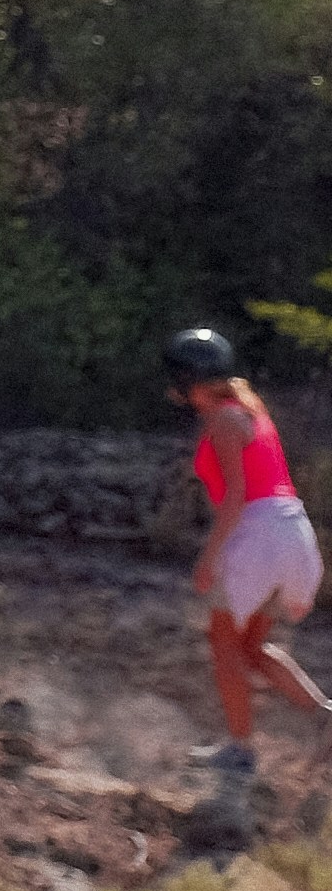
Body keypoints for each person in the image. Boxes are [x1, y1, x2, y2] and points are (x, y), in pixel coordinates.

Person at [166, 325, 327, 846]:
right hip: (291, 532)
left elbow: (235, 497)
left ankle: (239, 751)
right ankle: (325, 714)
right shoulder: (249, 410)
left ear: (190, 381)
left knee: (224, 647)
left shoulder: (220, 420)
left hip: (256, 535)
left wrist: (209, 558)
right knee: (252, 646)